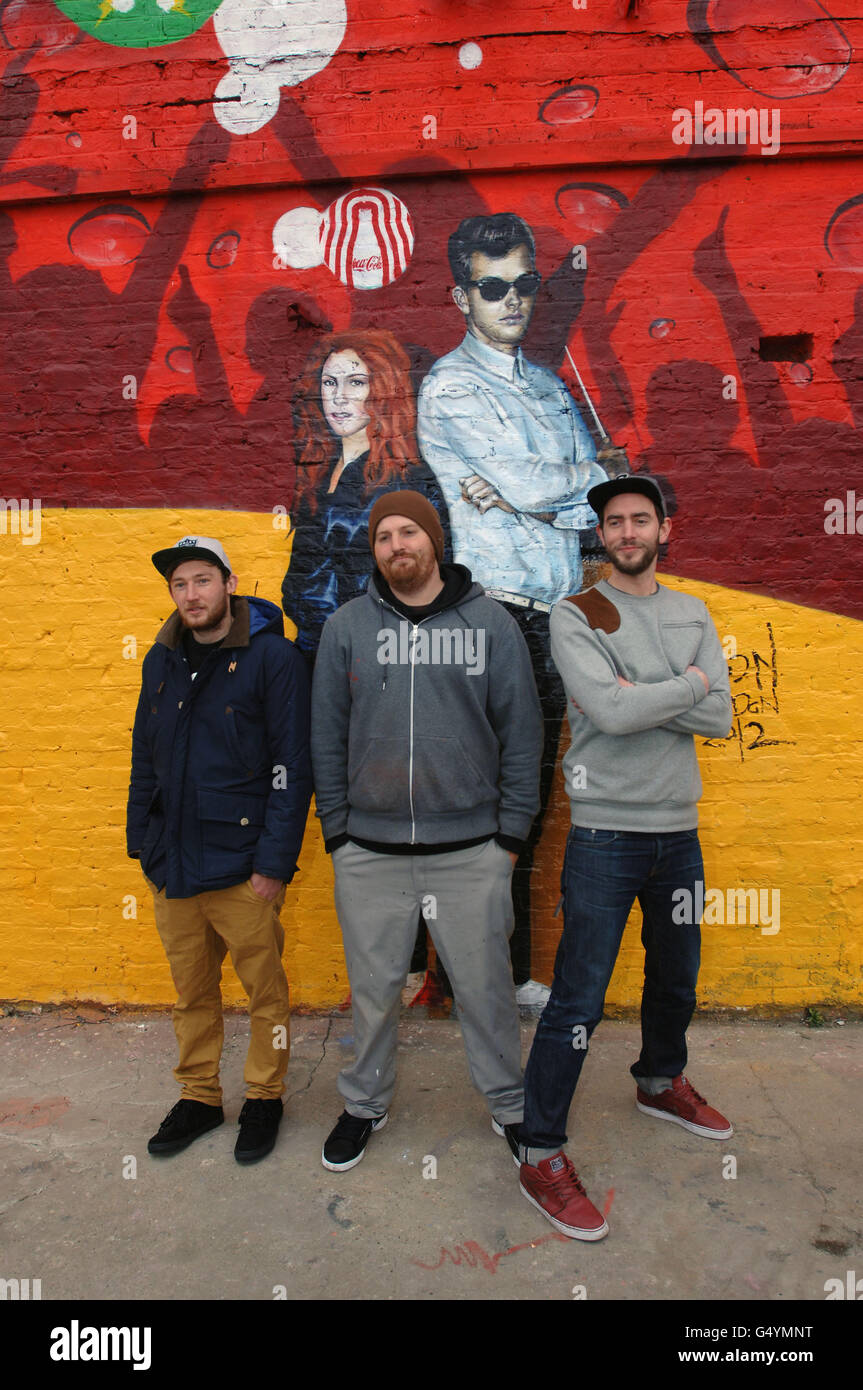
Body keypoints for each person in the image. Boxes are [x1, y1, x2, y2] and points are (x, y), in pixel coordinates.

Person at [516, 476, 733, 1240]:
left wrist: (649, 691)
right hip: (605, 833)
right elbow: (605, 711)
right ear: (600, 536)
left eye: (641, 519)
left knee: (676, 973)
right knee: (577, 998)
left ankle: (657, 1080)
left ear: (663, 529)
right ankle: (539, 1151)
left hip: (678, 830)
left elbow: (722, 715)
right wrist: (688, 683)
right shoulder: (577, 614)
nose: (628, 531)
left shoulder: (692, 611)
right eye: (614, 522)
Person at [310, 489, 544, 1171]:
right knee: (375, 990)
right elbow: (324, 735)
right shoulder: (347, 626)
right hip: (368, 853)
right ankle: (364, 1103)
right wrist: (337, 833)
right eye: (383, 537)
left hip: (470, 851)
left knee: (485, 992)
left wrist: (507, 839)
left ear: (434, 541)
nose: (396, 547)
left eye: (408, 532)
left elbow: (522, 735)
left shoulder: (490, 625)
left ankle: (509, 1106)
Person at [416, 212, 610, 1011]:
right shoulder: (450, 388)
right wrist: (561, 488)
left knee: (526, 801)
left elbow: (586, 497)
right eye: (492, 287)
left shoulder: (549, 387)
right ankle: (456, 976)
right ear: (461, 296)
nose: (513, 301)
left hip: (558, 616)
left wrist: (551, 496)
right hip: (493, 617)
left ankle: (501, 971)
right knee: (474, 800)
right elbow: (541, 488)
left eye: (524, 284)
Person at [126, 536, 312, 1165]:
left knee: (266, 992)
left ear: (229, 584)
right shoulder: (162, 659)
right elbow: (143, 757)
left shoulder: (274, 659)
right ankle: (200, 1097)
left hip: (242, 866)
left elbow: (294, 766)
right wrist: (141, 844)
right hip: (172, 864)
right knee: (191, 992)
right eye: (179, 585)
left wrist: (273, 865)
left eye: (202, 581)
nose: (191, 595)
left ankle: (265, 1096)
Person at [282, 328, 449, 664]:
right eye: (330, 383)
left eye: (356, 382)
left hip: (373, 665)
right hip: (314, 662)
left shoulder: (407, 481)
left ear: (383, 390)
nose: (338, 397)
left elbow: (432, 587)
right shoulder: (317, 476)